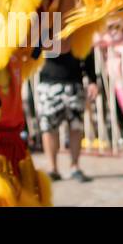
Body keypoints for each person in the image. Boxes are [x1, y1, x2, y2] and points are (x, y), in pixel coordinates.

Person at [34, 45, 98, 183]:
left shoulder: (79, 26)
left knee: (76, 127)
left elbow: (86, 51)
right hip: (48, 83)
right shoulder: (43, 27)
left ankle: (75, 166)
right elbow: (33, 51)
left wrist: (92, 80)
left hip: (74, 82)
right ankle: (53, 168)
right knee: (49, 128)